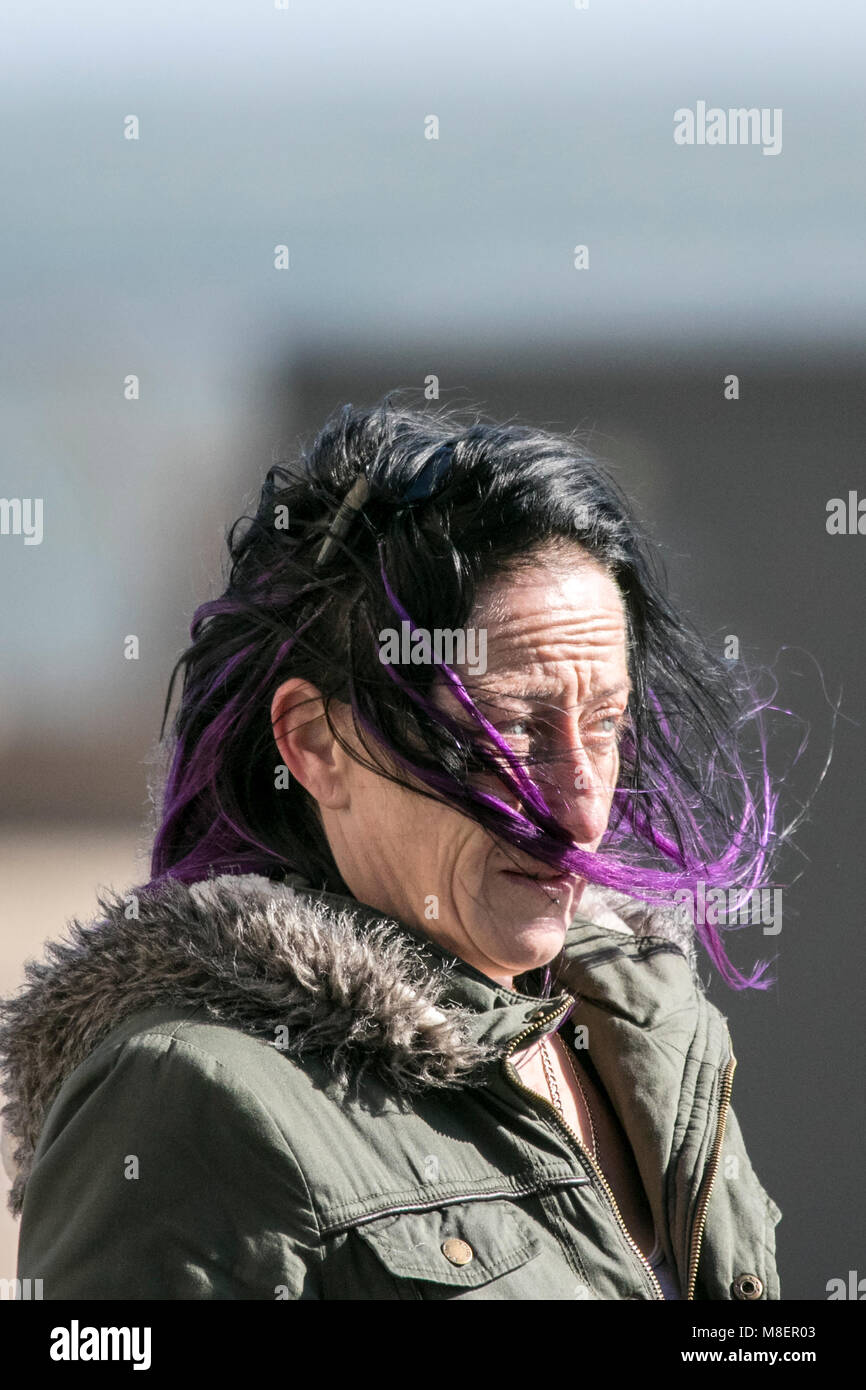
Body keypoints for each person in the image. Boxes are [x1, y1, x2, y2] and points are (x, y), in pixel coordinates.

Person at [0, 396, 783, 1299]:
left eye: (605, 726)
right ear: (317, 745)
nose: (581, 812)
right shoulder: (191, 1099)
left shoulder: (653, 1046)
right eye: (514, 729)